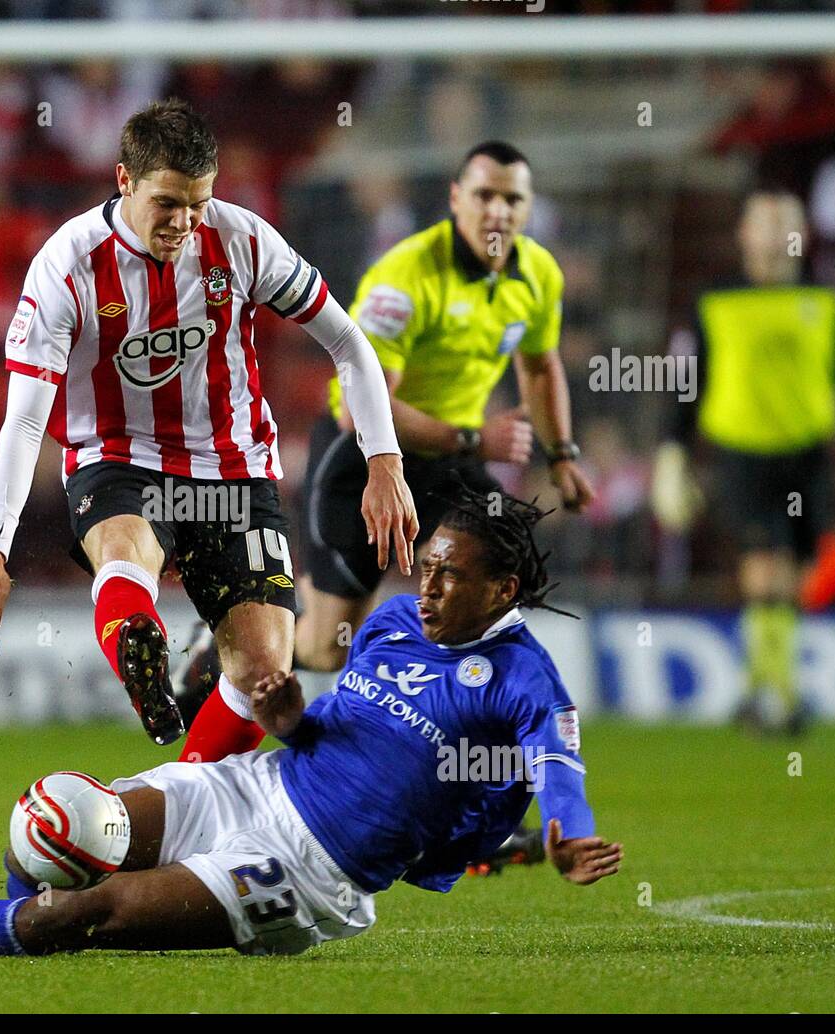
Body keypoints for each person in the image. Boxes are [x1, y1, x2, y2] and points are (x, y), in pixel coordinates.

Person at [0, 485, 621, 961]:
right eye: (425, 567)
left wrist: (568, 835)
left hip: (307, 873)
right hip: (252, 787)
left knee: (88, 912)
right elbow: (334, 740)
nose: (425, 588)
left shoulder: (526, 685)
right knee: (53, 819)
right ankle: (19, 924)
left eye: (450, 576)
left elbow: (561, 777)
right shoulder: (392, 624)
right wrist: (287, 718)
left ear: (503, 590)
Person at [0, 99, 415, 760]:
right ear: (124, 181)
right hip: (118, 459)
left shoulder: (242, 240)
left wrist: (385, 461)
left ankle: (180, 790)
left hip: (233, 467)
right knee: (126, 555)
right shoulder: (67, 265)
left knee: (265, 681)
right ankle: (140, 649)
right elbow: (25, 418)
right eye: (167, 203)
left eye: (198, 204)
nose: (183, 222)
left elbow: (348, 343)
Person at [175, 142, 593, 733]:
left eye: (512, 199)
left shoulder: (538, 274)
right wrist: (473, 437)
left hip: (450, 466)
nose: (498, 211)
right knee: (327, 648)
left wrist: (561, 455)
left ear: (528, 208)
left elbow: (540, 367)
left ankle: (470, 751)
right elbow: (359, 408)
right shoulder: (406, 277)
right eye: (484, 196)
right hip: (366, 459)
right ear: (456, 199)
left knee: (491, 581)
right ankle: (224, 647)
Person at [652, 189, 835, 736]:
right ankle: (780, 695)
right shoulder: (716, 301)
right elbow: (688, 377)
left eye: (787, 223)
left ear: (803, 234)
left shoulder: (826, 301)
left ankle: (760, 684)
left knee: (796, 574)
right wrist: (673, 449)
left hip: (807, 454)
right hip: (742, 453)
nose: (777, 234)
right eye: (766, 223)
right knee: (765, 562)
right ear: (744, 234)